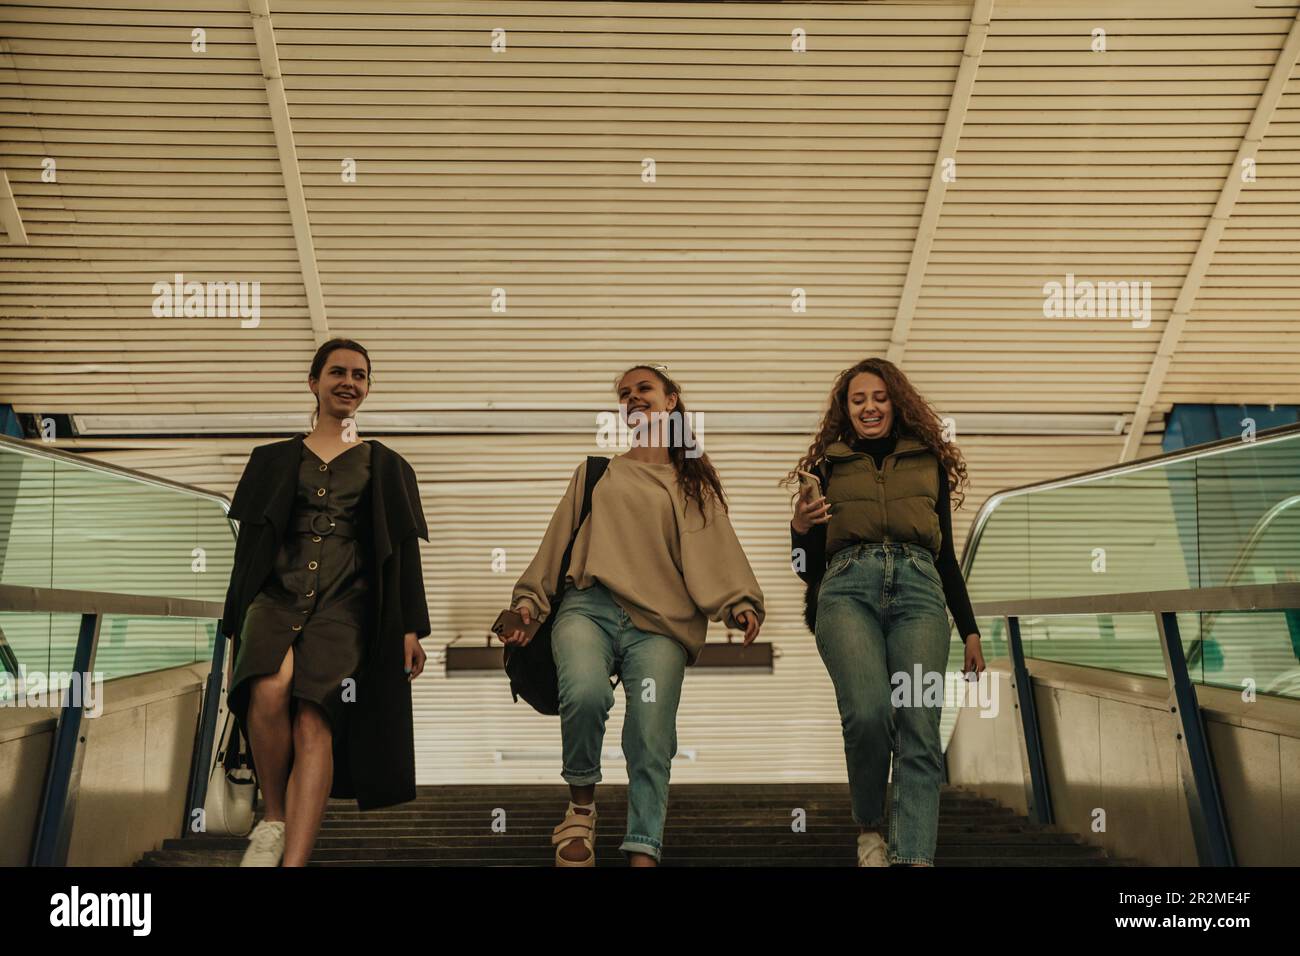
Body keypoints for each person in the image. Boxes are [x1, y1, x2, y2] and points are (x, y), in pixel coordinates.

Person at [503, 365, 765, 866]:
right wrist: (528, 602)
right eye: (624, 394)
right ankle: (580, 809)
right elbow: (556, 542)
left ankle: (644, 847)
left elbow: (718, 552)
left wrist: (739, 604)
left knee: (651, 733)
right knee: (584, 691)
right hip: (589, 607)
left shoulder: (693, 485)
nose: (632, 397)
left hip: (660, 626)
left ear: (670, 401)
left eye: (643, 389)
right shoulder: (598, 473)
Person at [220, 337, 430, 867]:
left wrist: (408, 628)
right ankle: (273, 816)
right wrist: (233, 624)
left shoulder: (387, 466)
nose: (348, 382)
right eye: (337, 372)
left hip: (348, 607)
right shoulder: (270, 461)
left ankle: (292, 861)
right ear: (313, 382)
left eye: (359, 375)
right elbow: (248, 551)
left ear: (367, 389)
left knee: (316, 717)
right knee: (268, 688)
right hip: (275, 596)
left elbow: (402, 554)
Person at [787, 357, 986, 867]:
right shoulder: (826, 467)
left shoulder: (928, 461)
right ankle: (870, 829)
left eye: (878, 397)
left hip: (920, 593)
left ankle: (913, 856)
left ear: (895, 402)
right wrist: (800, 527)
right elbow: (806, 570)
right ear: (845, 409)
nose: (869, 407)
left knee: (919, 723)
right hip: (846, 590)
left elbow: (945, 555)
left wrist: (969, 630)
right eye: (858, 400)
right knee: (870, 712)